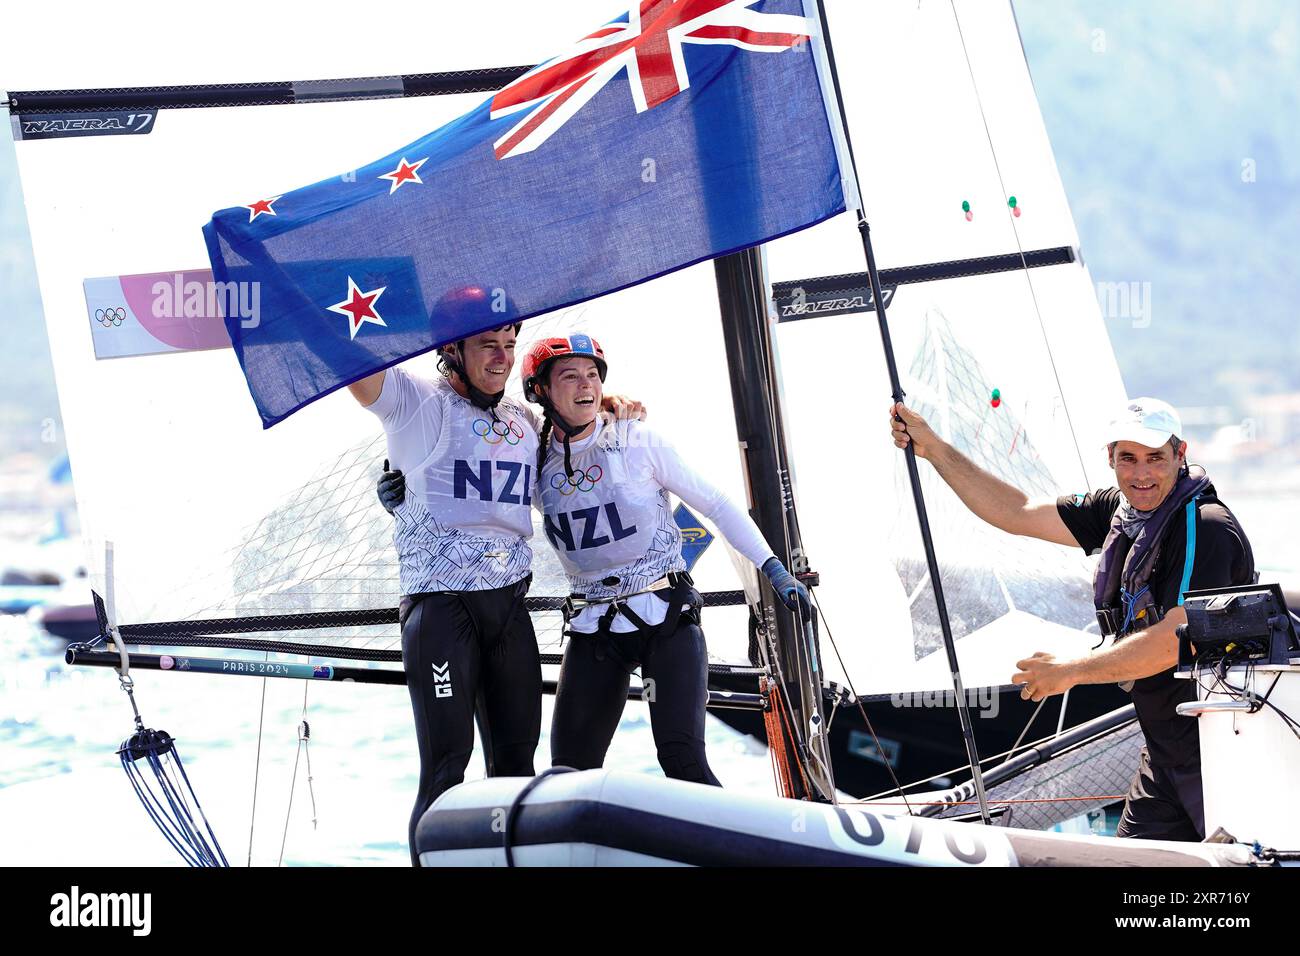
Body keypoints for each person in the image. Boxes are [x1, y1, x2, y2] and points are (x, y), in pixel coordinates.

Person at [891, 396, 1255, 841]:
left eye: (1155, 458)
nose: (1141, 474)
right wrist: (934, 449)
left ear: (1181, 455)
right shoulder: (1116, 512)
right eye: (1128, 458)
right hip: (1164, 756)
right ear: (1111, 459)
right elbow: (1016, 512)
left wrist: (1071, 671)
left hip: (1224, 753)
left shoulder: (1207, 527)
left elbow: (1174, 641)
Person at [522, 334, 810, 786]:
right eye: (570, 376)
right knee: (566, 773)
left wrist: (773, 567)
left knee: (682, 761)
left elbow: (714, 504)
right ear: (539, 390)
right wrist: (405, 502)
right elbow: (481, 501)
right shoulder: (533, 461)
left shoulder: (637, 439)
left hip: (667, 621)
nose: (587, 385)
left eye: (594, 375)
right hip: (594, 630)